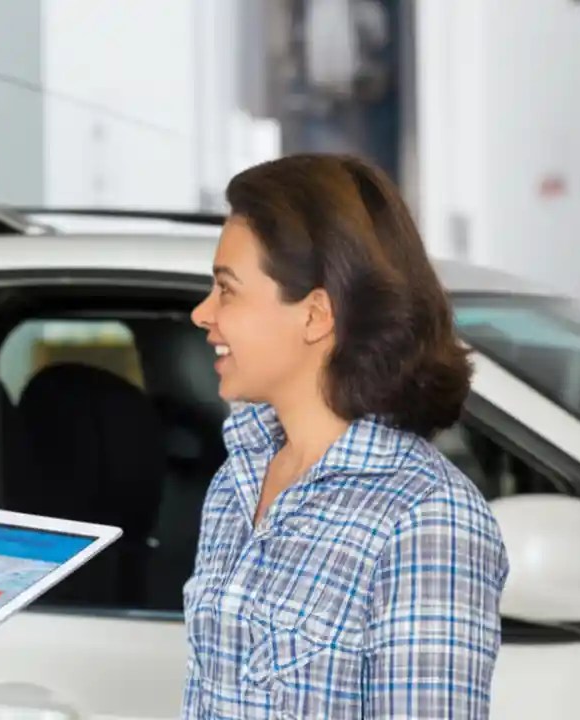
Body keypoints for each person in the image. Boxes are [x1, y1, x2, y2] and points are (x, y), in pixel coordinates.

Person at [181, 153, 509, 718]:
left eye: (227, 290)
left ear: (316, 315)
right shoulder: (236, 482)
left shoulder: (426, 518)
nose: (202, 313)